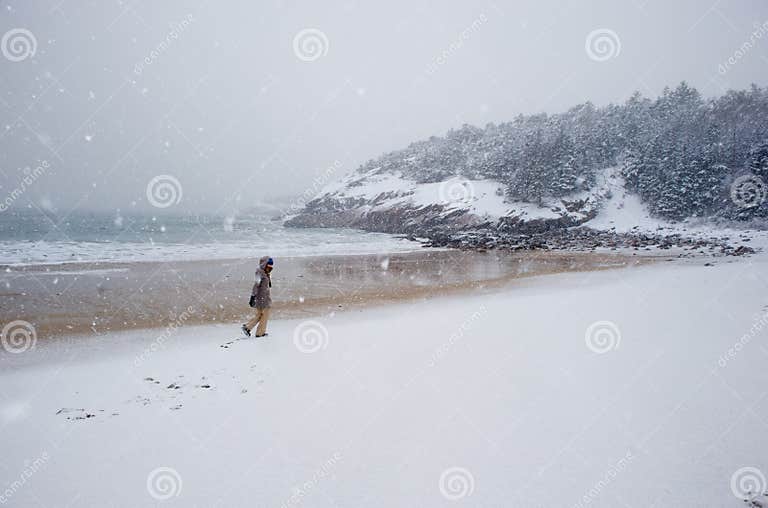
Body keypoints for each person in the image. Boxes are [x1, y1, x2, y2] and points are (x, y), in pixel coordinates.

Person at [242, 255, 273, 337]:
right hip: (263, 298)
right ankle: (260, 333)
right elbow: (256, 285)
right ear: (264, 264)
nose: (270, 267)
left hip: (262, 297)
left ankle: (247, 327)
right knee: (265, 314)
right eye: (268, 265)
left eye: (271, 265)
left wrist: (268, 277)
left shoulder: (264, 272)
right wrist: (252, 297)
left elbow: (266, 284)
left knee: (259, 314)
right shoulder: (260, 273)